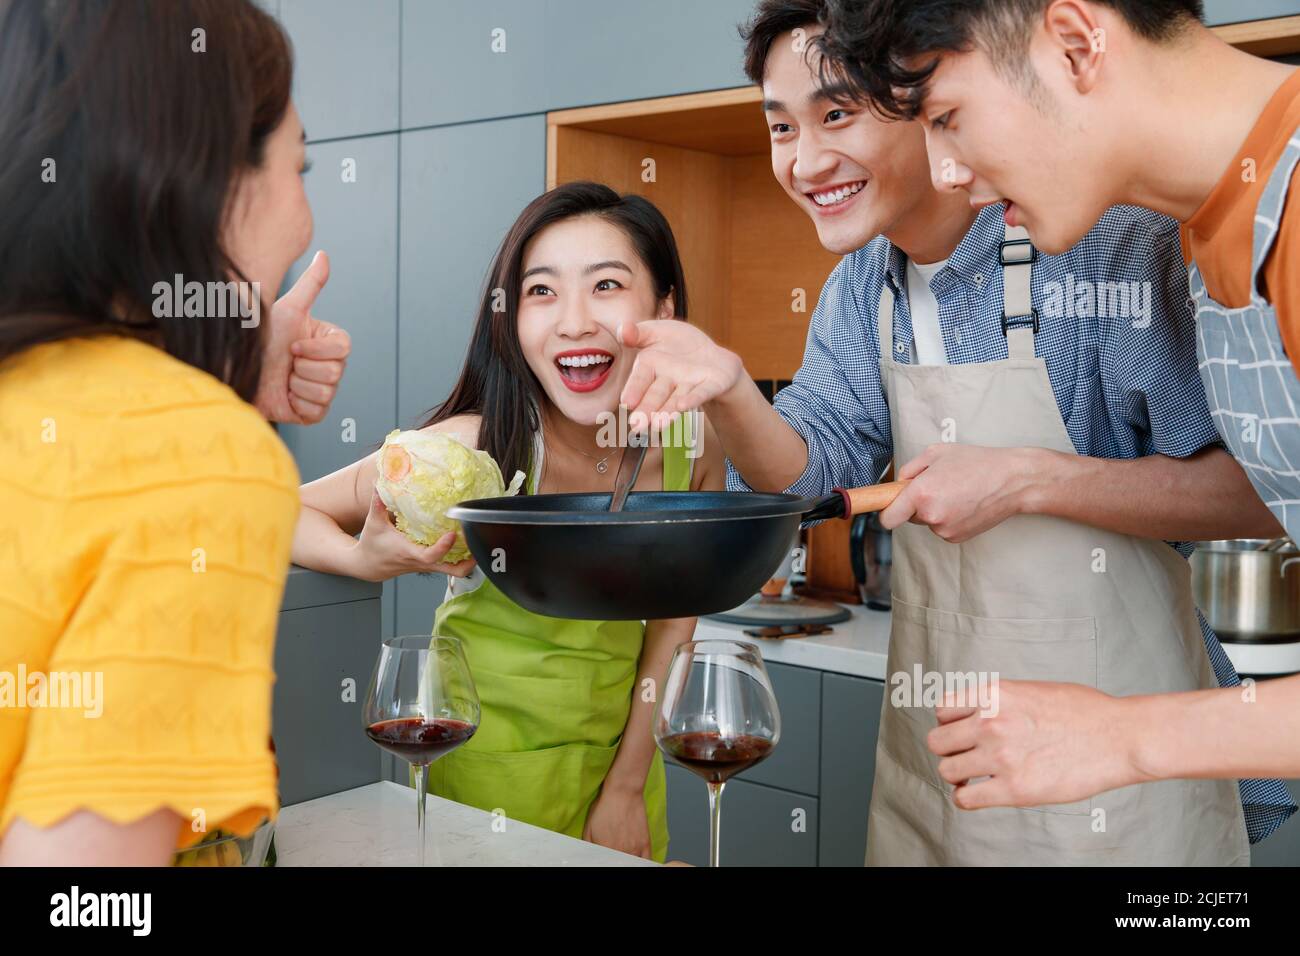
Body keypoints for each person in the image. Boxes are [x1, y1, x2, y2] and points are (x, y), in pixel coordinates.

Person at [613, 0, 1296, 864]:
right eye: (780, 125)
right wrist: (733, 392)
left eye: (838, 112)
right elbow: (814, 475)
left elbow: (1251, 491)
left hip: (1115, 774)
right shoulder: (863, 289)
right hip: (946, 753)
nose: (803, 158)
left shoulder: (1113, 236)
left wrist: (1027, 478)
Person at [812, 0, 1300, 812]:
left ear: (1075, 44)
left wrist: (1120, 736)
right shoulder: (1217, 233)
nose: (946, 173)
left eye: (949, 116)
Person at [0, 0, 350, 865]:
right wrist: (207, 426)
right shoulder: (198, 455)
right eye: (299, 166)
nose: (307, 223)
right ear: (210, 180)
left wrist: (212, 368)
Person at [292, 181, 724, 862]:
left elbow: (675, 625)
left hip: (622, 774)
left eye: (606, 285)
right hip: (480, 767)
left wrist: (625, 788)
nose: (574, 321)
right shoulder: (470, 447)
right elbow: (282, 508)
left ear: (663, 307)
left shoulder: (690, 448)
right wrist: (362, 559)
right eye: (541, 292)